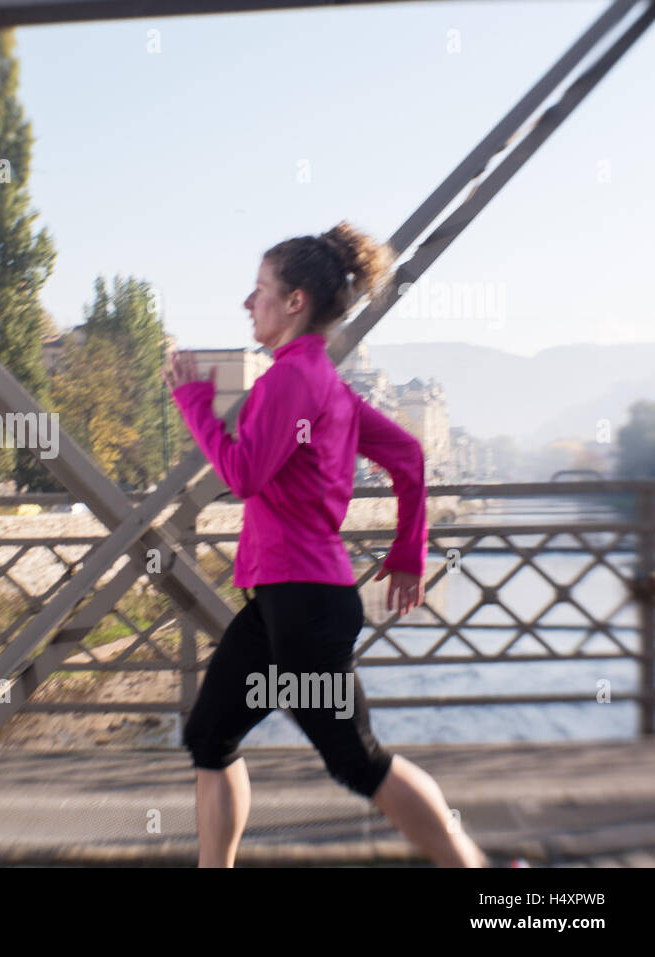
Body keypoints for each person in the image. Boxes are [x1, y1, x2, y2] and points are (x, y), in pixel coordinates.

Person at [162, 221, 490, 868]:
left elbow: (242, 474)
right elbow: (408, 455)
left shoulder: (291, 382)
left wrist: (194, 401)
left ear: (295, 302)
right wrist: (405, 552)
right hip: (286, 600)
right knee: (209, 734)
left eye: (259, 290)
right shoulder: (324, 384)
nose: (246, 303)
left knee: (357, 759)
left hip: (305, 605)